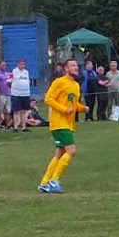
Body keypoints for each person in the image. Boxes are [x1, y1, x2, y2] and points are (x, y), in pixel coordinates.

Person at [38, 58, 87, 193]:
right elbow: (48, 99)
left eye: (76, 65)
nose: (76, 67)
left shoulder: (76, 85)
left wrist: (83, 108)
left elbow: (73, 104)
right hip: (59, 122)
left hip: (68, 123)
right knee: (71, 151)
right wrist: (64, 110)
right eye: (73, 65)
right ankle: (54, 180)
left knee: (60, 153)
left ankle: (44, 182)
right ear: (66, 69)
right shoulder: (59, 82)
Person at [10, 59, 33, 131]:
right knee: (16, 111)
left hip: (25, 94)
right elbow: (8, 81)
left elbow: (28, 81)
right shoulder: (13, 71)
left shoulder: (26, 72)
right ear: (17, 64)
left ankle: (23, 127)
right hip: (16, 94)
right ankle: (15, 127)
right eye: (20, 64)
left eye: (23, 64)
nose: (22, 65)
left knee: (24, 111)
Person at [0, 60, 13, 128]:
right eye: (2, 65)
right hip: (1, 94)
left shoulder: (8, 74)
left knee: (7, 110)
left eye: (5, 65)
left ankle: (7, 125)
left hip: (8, 93)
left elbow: (10, 83)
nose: (4, 66)